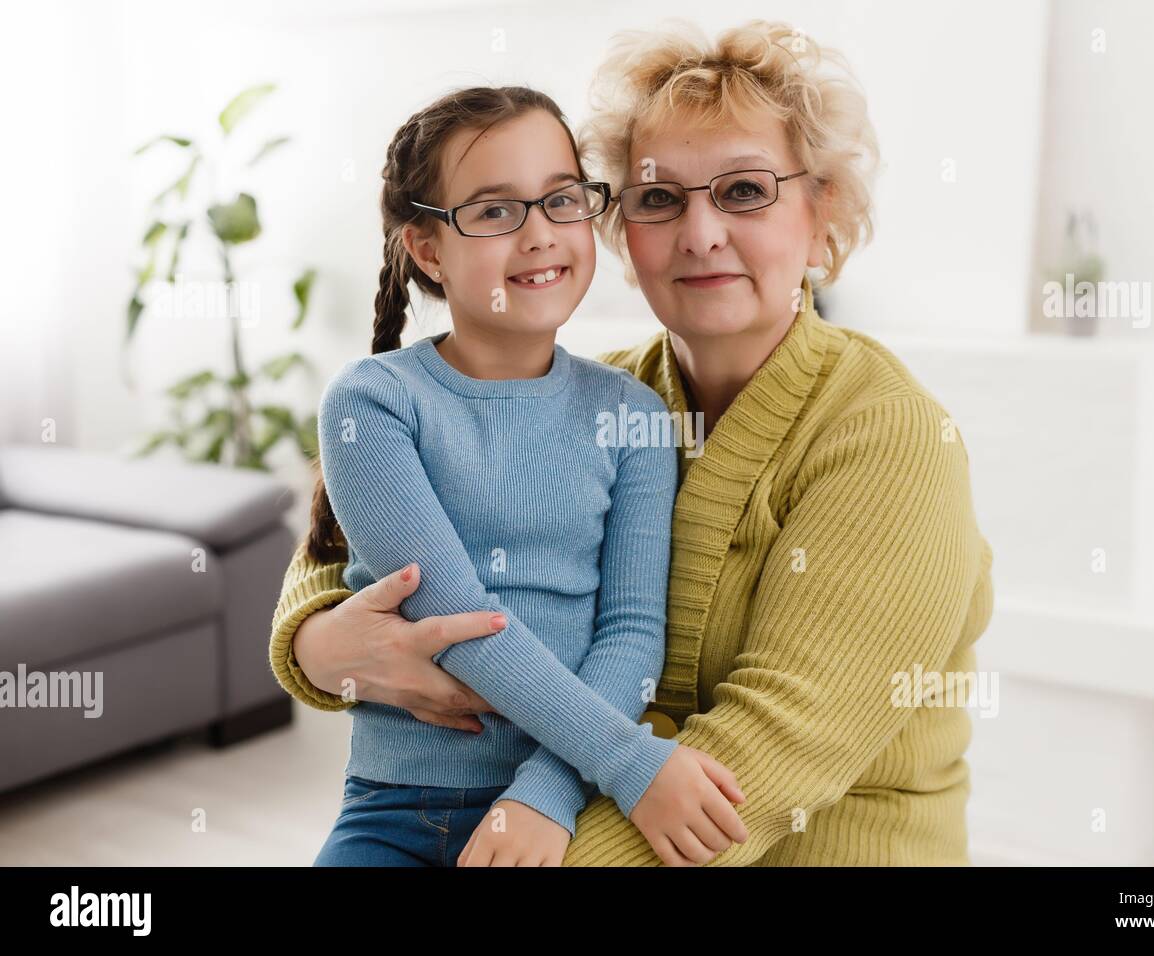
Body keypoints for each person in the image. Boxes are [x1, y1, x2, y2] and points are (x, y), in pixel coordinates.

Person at [272, 20, 995, 866]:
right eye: (659, 198)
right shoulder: (601, 395)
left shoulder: (888, 437)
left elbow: (761, 767)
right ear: (619, 225)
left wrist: (539, 814)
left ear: (822, 205)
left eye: (744, 191)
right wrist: (318, 646)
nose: (699, 234)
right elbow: (347, 545)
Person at [305, 84, 747, 867]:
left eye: (561, 200)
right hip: (397, 811)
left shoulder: (635, 416)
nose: (540, 235)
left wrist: (547, 791)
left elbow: (633, 634)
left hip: (568, 799)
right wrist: (631, 762)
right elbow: (456, 618)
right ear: (427, 247)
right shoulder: (373, 403)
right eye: (494, 210)